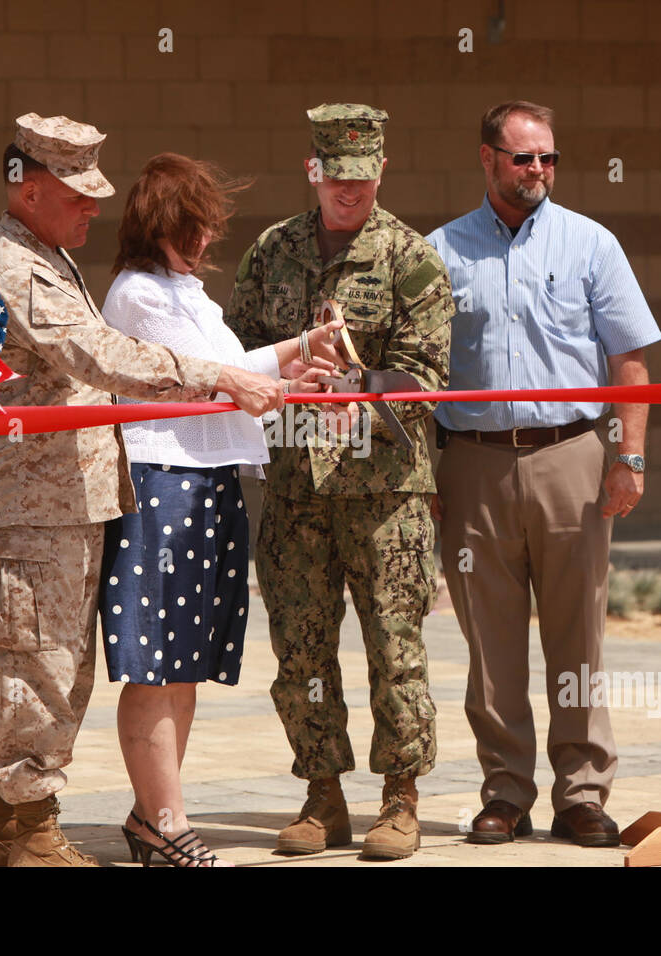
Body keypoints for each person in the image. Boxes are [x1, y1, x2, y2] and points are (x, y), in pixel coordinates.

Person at [0, 113, 284, 868]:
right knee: (37, 665)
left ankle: (29, 825)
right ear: (28, 187)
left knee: (60, 669)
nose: (93, 207)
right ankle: (19, 831)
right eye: (75, 192)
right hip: (34, 506)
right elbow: (97, 352)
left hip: (66, 503)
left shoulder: (45, 255)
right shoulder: (12, 265)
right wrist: (214, 376)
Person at [426, 101, 661, 848]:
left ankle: (582, 793)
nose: (539, 171)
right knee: (489, 644)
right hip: (474, 465)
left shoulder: (592, 243)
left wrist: (629, 457)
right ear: (488, 158)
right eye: (524, 157)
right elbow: (423, 370)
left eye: (549, 158)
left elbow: (630, 361)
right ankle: (504, 792)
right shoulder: (439, 251)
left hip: (573, 459)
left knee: (578, 637)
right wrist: (429, 473)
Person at [99, 152, 344, 867]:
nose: (208, 240)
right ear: (160, 225)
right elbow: (212, 380)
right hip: (163, 483)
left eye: (208, 227)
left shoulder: (190, 295)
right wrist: (274, 377)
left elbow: (233, 369)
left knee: (185, 663)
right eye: (194, 226)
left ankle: (158, 818)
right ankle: (164, 820)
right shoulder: (140, 294)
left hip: (208, 482)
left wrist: (302, 350)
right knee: (156, 663)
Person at [226, 104, 453, 860]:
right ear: (312, 170)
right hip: (297, 490)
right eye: (337, 177)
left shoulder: (410, 258)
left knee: (396, 649)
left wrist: (359, 382)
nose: (349, 192)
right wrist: (290, 367)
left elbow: (428, 379)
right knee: (302, 651)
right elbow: (240, 350)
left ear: (381, 172)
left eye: (363, 178)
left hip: (384, 495)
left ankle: (400, 799)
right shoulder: (271, 252)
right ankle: (323, 795)